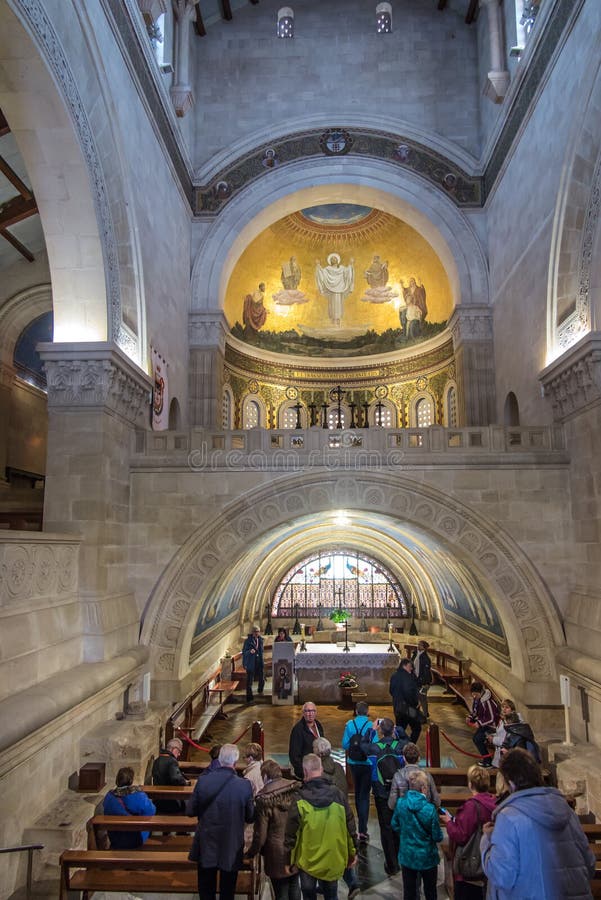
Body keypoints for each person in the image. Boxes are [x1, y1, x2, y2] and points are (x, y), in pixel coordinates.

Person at [481, 748, 595, 899]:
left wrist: (486, 842)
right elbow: (589, 864)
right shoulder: (566, 811)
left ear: (511, 783)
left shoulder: (509, 818)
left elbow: (502, 876)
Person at [186, 743, 255, 900]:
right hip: (231, 844)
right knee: (228, 891)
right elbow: (250, 816)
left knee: (206, 890)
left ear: (219, 760)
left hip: (207, 841)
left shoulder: (203, 781)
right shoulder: (244, 786)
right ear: (235, 762)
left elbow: (190, 811)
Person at [284, 753, 357, 900]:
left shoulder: (299, 800)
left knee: (309, 894)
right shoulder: (338, 795)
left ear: (305, 772)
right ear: (321, 768)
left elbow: (291, 836)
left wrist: (288, 861)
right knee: (331, 895)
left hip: (308, 862)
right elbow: (350, 827)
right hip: (333, 857)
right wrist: (353, 852)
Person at [247, 759, 302, 900]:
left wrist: (252, 851)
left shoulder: (264, 799)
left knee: (280, 890)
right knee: (294, 884)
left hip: (275, 852)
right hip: (295, 846)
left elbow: (261, 834)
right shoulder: (294, 790)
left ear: (265, 776)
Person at [313, 737, 360, 900]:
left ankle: (329, 886)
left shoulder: (318, 772)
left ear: (317, 753)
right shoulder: (339, 767)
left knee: (324, 849)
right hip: (342, 812)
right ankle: (352, 882)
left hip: (327, 815)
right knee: (342, 848)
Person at [440, 764, 496, 900]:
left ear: (470, 784)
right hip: (488, 861)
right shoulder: (495, 802)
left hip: (470, 865)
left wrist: (448, 822)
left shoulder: (471, 807)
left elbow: (461, 835)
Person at [362, 717, 407, 876]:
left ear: (380, 730)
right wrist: (397, 729)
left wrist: (372, 729)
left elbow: (363, 745)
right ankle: (400, 859)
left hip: (381, 792)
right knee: (399, 825)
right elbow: (406, 738)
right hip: (400, 791)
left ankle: (391, 864)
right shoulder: (400, 747)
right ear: (393, 730)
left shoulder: (374, 748)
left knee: (386, 828)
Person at [391, 769, 443, 900]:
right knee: (430, 891)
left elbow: (394, 824)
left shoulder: (401, 803)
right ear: (424, 788)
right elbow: (437, 836)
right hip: (427, 858)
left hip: (408, 855)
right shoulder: (429, 809)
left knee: (409, 892)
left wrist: (406, 834)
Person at [341, 700, 374, 842]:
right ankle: (363, 829)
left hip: (353, 763)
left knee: (357, 792)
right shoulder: (371, 726)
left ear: (356, 710)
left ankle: (359, 824)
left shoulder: (350, 725)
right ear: (367, 711)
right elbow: (375, 745)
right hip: (366, 763)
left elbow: (344, 744)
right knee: (364, 795)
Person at [102, 766, 156, 849]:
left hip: (115, 838)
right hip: (134, 838)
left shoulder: (109, 796)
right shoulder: (137, 795)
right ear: (131, 780)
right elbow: (151, 811)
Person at [387, 742, 440, 810]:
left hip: (404, 817)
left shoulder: (398, 776)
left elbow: (392, 804)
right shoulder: (427, 775)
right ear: (419, 758)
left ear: (404, 758)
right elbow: (437, 802)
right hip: (423, 815)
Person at [151, 737, 190, 813]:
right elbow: (176, 778)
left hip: (157, 800)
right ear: (174, 749)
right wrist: (186, 782)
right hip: (171, 801)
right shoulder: (172, 761)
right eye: (179, 751)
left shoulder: (157, 760)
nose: (179, 754)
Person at [389, 657, 423, 743]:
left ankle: (397, 748)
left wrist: (397, 699)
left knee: (399, 729)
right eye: (410, 666)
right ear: (404, 666)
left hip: (398, 707)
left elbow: (391, 691)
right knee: (417, 728)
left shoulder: (394, 675)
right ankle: (410, 745)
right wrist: (415, 703)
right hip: (409, 708)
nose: (411, 668)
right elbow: (408, 692)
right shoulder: (408, 677)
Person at [315, 254, 354, 326]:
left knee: (339, 305)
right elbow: (322, 273)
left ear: (337, 261)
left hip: (339, 291)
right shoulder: (327, 269)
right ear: (330, 261)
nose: (334, 260)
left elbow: (348, 272)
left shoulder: (342, 269)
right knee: (332, 305)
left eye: (335, 258)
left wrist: (350, 264)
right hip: (332, 292)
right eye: (332, 259)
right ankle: (333, 320)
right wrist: (318, 265)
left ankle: (338, 320)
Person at [466, 682, 499, 767]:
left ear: (481, 692)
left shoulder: (487, 702)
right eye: (473, 695)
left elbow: (491, 718)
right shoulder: (477, 699)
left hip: (492, 727)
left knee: (478, 739)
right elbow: (475, 711)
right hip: (485, 726)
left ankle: (487, 761)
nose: (474, 697)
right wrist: (470, 717)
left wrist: (479, 723)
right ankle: (486, 759)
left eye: (475, 695)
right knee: (476, 738)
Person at [288, 702, 325, 779]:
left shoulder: (318, 725)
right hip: (306, 774)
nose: (310, 714)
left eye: (313, 711)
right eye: (307, 711)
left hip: (318, 770)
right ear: (303, 713)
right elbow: (294, 756)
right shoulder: (298, 730)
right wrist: (304, 773)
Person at [487, 699, 518, 768]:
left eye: (507, 707)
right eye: (503, 707)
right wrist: (493, 735)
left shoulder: (512, 723)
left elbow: (509, 740)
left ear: (512, 710)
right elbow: (501, 734)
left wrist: (493, 739)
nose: (504, 709)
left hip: (506, 754)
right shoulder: (503, 719)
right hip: (499, 753)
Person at [242, 625, 264, 702]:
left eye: (258, 631)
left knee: (262, 677)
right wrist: (249, 651)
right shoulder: (247, 641)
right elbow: (244, 652)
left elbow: (261, 650)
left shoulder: (260, 640)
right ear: (252, 632)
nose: (257, 633)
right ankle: (249, 697)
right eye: (255, 632)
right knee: (249, 681)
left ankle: (260, 690)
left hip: (259, 662)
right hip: (251, 663)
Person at [411, 640, 433, 719]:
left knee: (423, 698)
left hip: (423, 681)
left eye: (420, 645)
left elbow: (426, 672)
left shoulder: (426, 658)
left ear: (424, 647)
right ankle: (417, 713)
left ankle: (425, 714)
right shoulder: (416, 654)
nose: (418, 646)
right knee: (416, 697)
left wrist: (423, 682)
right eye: (418, 644)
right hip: (415, 679)